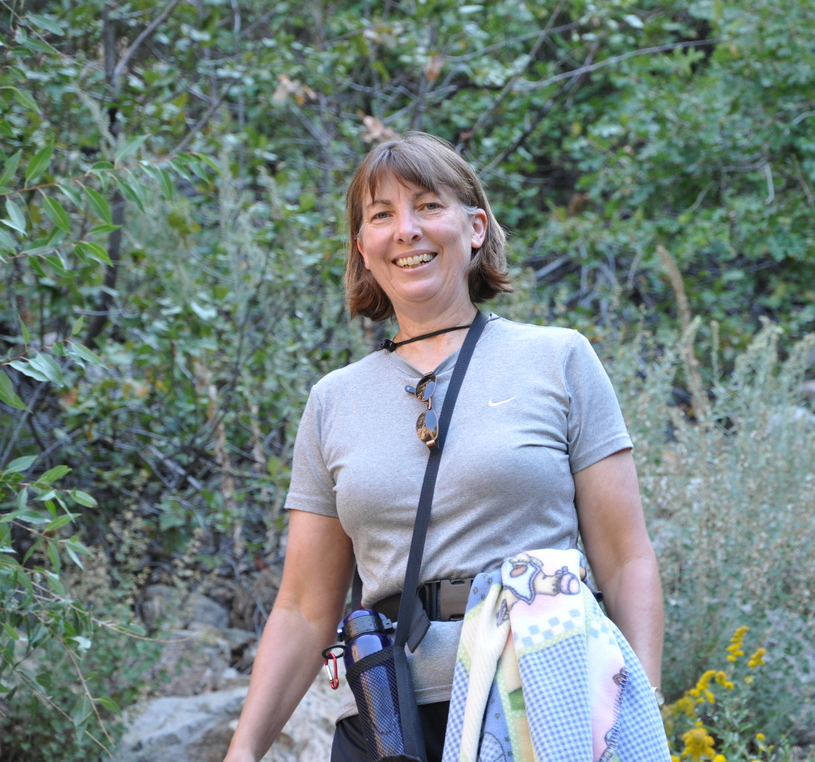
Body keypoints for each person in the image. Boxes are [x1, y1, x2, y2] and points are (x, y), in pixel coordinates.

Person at [223, 132, 664, 762]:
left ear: (475, 227)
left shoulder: (558, 358)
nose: (406, 230)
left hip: (542, 703)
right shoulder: (332, 400)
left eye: (428, 206)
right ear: (363, 247)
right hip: (391, 721)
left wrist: (636, 714)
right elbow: (301, 609)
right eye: (382, 215)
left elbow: (625, 561)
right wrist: (242, 753)